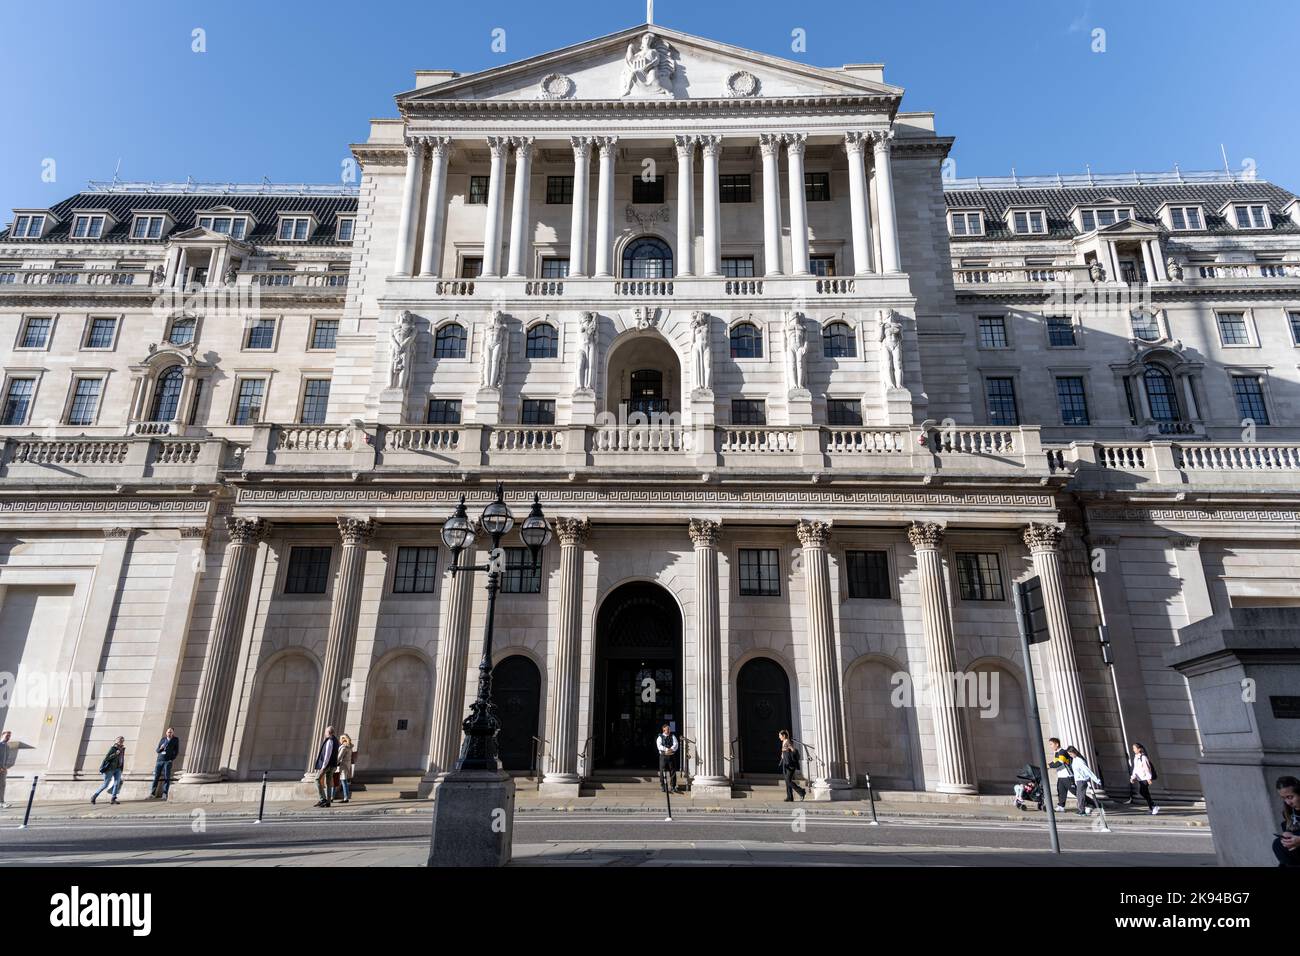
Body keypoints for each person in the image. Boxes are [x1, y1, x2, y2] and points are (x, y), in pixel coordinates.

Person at [1066, 745, 1101, 815]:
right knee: (1079, 795)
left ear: (1074, 752)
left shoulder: (1079, 760)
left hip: (1082, 780)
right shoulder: (1075, 760)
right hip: (1079, 780)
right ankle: (1085, 807)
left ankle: (1082, 810)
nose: (1070, 756)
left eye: (1070, 754)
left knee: (1080, 796)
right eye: (1069, 754)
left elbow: (1087, 770)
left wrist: (1096, 780)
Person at [91, 737, 126, 805]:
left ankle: (113, 798)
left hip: (118, 769)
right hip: (110, 769)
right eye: (119, 740)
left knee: (117, 783)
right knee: (105, 784)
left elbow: (121, 758)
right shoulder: (113, 748)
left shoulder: (122, 749)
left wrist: (121, 768)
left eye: (122, 740)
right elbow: (107, 758)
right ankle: (94, 796)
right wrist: (115, 754)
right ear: (116, 741)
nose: (121, 741)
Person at [1274, 776, 1300, 867]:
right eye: (1284, 798)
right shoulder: (1288, 811)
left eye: (1290, 797)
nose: (1288, 802)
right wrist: (1287, 834)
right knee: (1278, 844)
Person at [1128, 742, 1160, 815]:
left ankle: (1154, 806)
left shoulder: (1143, 757)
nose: (1133, 750)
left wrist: (1149, 778)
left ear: (1139, 749)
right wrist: (1133, 777)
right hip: (1140, 778)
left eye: (1134, 748)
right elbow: (1135, 769)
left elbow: (1147, 768)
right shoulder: (1136, 758)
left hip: (1145, 778)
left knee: (1142, 792)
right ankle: (1152, 808)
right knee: (1146, 793)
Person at [150, 727, 180, 800]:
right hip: (159, 761)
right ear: (166, 733)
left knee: (167, 777)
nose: (169, 733)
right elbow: (157, 750)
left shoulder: (175, 740)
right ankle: (152, 793)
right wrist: (161, 748)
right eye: (168, 732)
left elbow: (176, 751)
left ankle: (164, 794)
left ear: (173, 733)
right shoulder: (163, 739)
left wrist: (171, 759)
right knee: (156, 777)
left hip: (167, 761)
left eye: (171, 732)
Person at [313, 726, 339, 808]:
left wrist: (323, 767)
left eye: (325, 732)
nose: (324, 733)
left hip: (327, 765)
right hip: (333, 765)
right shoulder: (335, 740)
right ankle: (328, 802)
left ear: (329, 732)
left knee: (317, 779)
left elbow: (327, 755)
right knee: (328, 783)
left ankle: (322, 799)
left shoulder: (330, 741)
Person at [778, 730, 806, 802]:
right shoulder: (784, 742)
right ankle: (790, 797)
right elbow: (784, 753)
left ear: (784, 736)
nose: (779, 737)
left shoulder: (787, 741)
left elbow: (794, 750)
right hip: (785, 763)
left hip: (790, 764)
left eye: (780, 736)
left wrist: (791, 749)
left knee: (788, 780)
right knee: (787, 781)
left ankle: (801, 791)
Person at [1047, 737, 1074, 811]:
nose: (1050, 746)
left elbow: (1060, 763)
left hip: (1067, 775)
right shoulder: (1057, 753)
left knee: (1074, 791)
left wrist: (1049, 766)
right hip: (1061, 776)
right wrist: (1047, 765)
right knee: (1061, 790)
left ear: (1057, 744)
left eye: (1051, 744)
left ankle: (1090, 804)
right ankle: (1061, 806)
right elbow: (1055, 762)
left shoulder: (1062, 752)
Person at [655, 723, 679, 793]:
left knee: (673, 771)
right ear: (664, 729)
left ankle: (673, 786)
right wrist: (666, 749)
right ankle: (663, 786)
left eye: (669, 729)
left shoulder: (673, 736)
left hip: (671, 755)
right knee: (662, 771)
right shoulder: (660, 737)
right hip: (663, 756)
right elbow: (659, 746)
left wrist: (671, 749)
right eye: (667, 729)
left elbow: (676, 744)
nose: (669, 730)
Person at [336, 734, 354, 804]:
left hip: (343, 766)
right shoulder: (349, 747)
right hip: (347, 766)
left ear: (343, 739)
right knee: (343, 782)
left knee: (343, 782)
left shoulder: (343, 747)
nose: (340, 740)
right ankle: (343, 797)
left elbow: (339, 757)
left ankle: (346, 798)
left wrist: (334, 763)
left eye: (340, 739)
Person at [0, 730, 15, 809]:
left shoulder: (7, 746)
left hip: (3, 770)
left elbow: (7, 758)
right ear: (2, 735)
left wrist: (5, 767)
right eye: (7, 736)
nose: (8, 737)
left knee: (2, 786)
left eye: (9, 736)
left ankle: (1, 802)